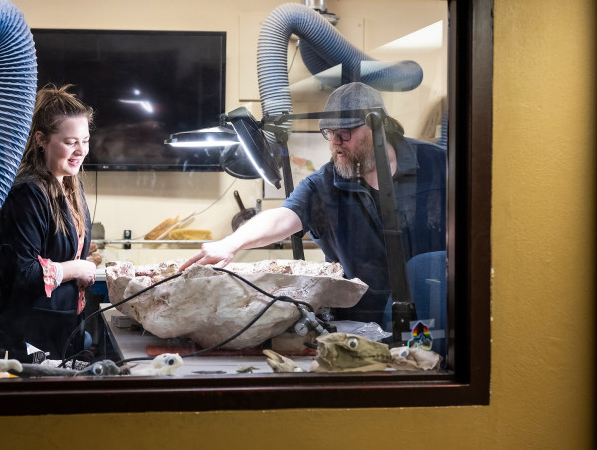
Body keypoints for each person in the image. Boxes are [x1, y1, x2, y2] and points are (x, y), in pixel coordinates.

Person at [180, 82, 446, 325]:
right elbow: (283, 217)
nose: (335, 143)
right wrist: (231, 244)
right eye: (329, 133)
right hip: (360, 322)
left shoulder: (438, 164)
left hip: (438, 311)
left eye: (345, 133)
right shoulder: (325, 183)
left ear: (378, 126)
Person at [0, 84, 98, 362]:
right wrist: (76, 267)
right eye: (70, 142)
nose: (81, 150)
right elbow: (23, 274)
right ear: (41, 139)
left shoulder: (69, 184)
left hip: (61, 328)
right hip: (24, 339)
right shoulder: (26, 192)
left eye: (86, 140)